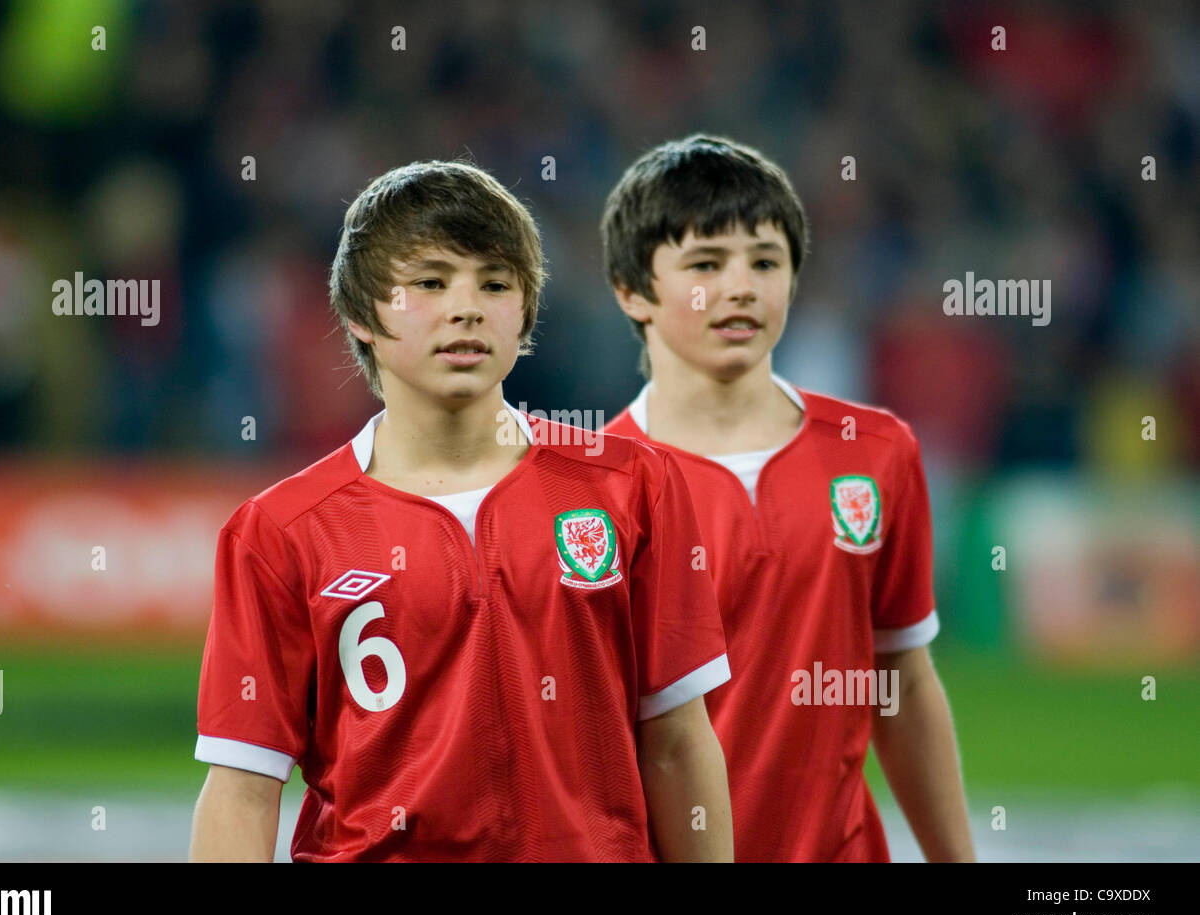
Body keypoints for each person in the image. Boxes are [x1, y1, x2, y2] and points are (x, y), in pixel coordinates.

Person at [189, 159, 733, 862]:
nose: (467, 306)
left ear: (525, 312)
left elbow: (680, 741)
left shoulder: (633, 484)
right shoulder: (280, 532)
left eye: (496, 282)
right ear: (361, 313)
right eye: (431, 282)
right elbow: (243, 785)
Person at [599, 134, 975, 862]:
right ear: (632, 290)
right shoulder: (592, 489)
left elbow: (903, 681)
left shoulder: (877, 450)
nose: (741, 286)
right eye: (707, 263)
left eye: (765, 261)